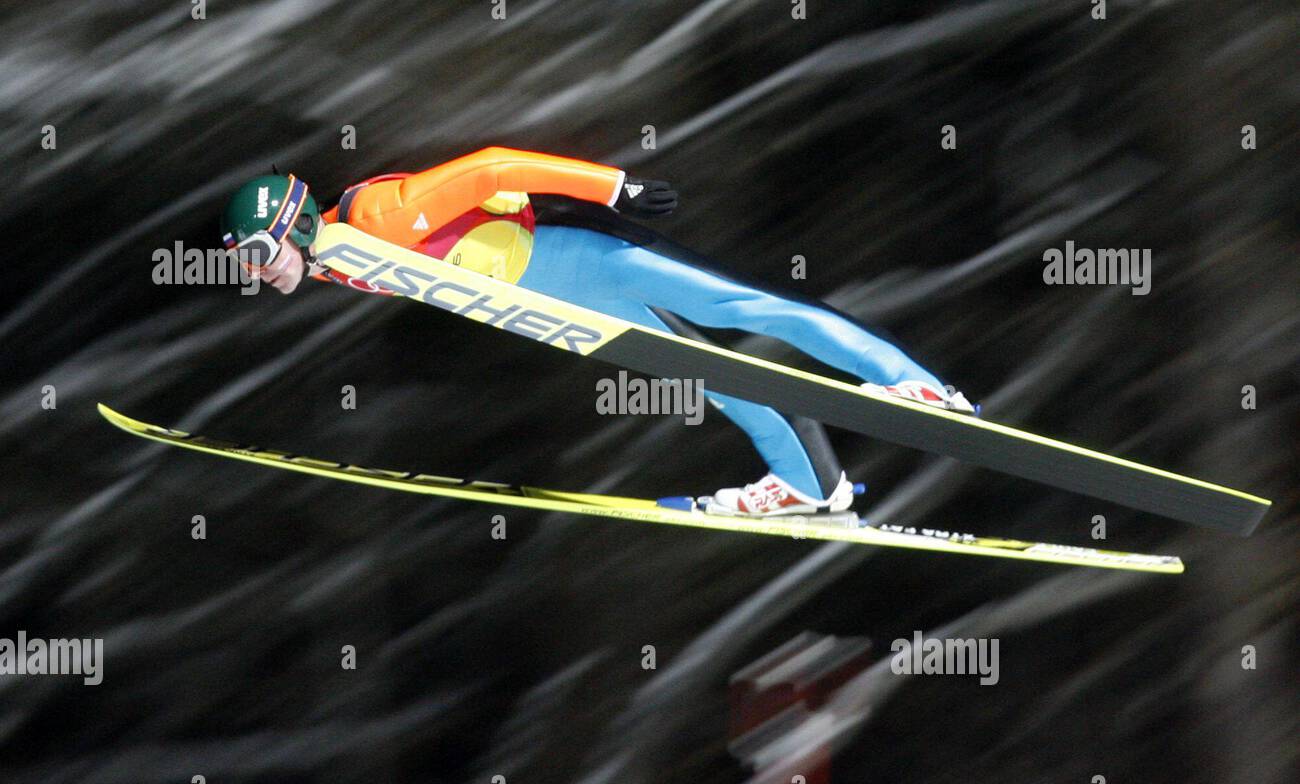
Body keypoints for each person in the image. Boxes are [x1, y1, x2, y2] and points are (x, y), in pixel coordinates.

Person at [220, 147, 973, 518]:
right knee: (707, 375)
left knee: (746, 309)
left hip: (589, 257)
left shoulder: (377, 218)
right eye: (244, 265)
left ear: (294, 223)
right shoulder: (327, 261)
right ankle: (811, 487)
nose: (257, 273)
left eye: (258, 254)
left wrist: (615, 185)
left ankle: (920, 389)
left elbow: (492, 168)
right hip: (562, 305)